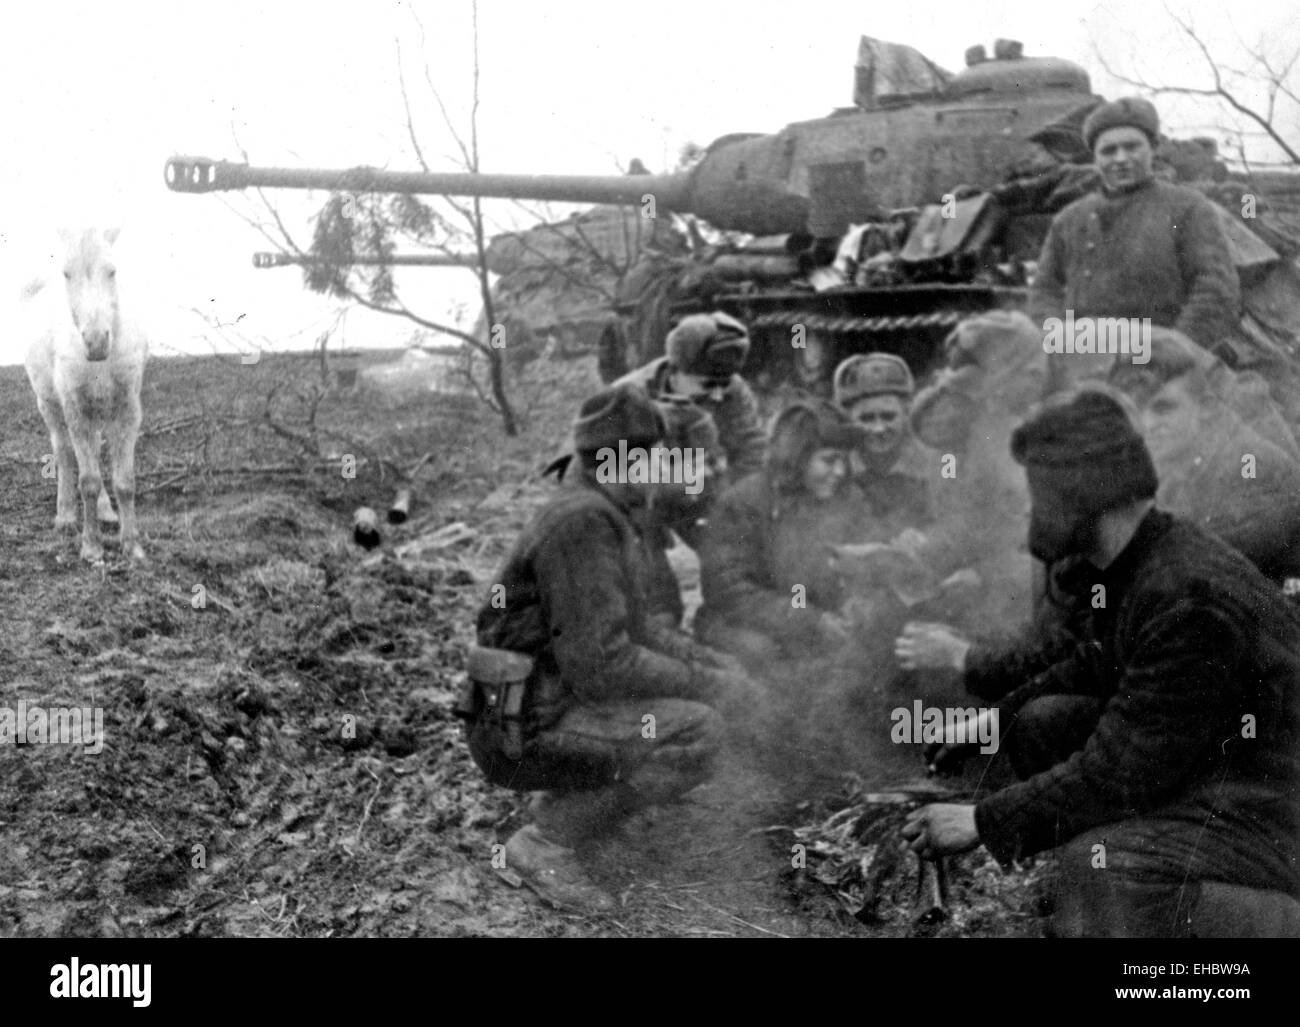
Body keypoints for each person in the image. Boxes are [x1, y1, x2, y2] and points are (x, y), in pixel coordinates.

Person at [900, 386, 1300, 937]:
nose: (1023, 507)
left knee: (1102, 862)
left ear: (1079, 496)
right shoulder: (1140, 562)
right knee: (1041, 721)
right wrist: (995, 721)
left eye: (1035, 492)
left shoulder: (1190, 601)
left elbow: (1121, 767)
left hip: (1273, 807)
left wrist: (982, 821)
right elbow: (1093, 661)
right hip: (1224, 759)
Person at [461, 383, 751, 911]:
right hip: (522, 726)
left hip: (537, 705)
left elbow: (640, 630)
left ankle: (570, 795)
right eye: (659, 456)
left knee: (695, 706)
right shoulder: (584, 524)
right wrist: (705, 683)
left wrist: (708, 662)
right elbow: (602, 664)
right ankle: (546, 841)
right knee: (696, 732)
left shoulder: (604, 512)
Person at [1028, 97, 1240, 356]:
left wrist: (1173, 352)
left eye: (1132, 147)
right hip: (1085, 360)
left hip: (1166, 363)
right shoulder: (1069, 219)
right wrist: (1059, 344)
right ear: (1094, 157)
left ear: (1153, 149)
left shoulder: (1189, 208)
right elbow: (1044, 291)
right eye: (1108, 151)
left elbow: (1214, 290)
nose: (1121, 159)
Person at [695, 398, 868, 664]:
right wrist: (810, 620)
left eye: (844, 461)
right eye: (828, 461)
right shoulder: (742, 503)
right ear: (797, 457)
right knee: (763, 653)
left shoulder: (848, 499)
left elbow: (865, 563)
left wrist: (857, 601)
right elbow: (729, 592)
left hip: (819, 620)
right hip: (746, 625)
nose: (839, 472)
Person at [615, 310, 766, 480]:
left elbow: (752, 447)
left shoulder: (733, 387)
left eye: (723, 383)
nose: (718, 391)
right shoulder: (628, 396)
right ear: (676, 372)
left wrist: (730, 491)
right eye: (706, 384)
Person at [831, 352, 933, 537]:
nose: (878, 429)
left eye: (888, 416)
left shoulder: (937, 466)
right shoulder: (835, 472)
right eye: (866, 418)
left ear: (906, 413)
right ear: (848, 419)